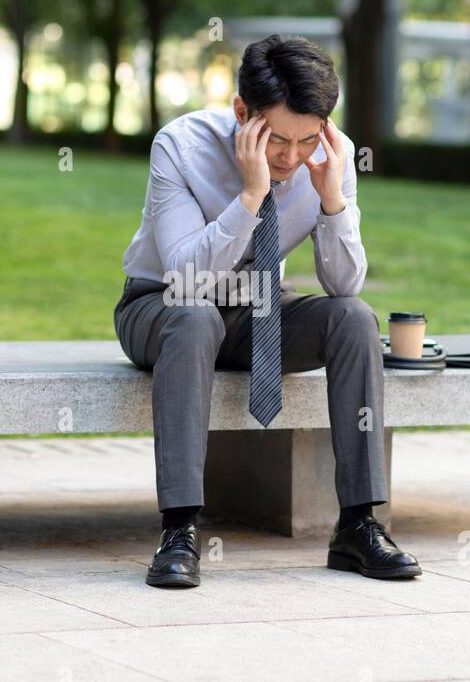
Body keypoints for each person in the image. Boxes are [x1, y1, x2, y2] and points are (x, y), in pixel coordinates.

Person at [113, 34, 421, 589]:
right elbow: (187, 277)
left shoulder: (331, 157)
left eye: (306, 140)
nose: (290, 157)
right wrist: (251, 196)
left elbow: (343, 284)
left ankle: (358, 525)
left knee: (354, 319)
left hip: (259, 307)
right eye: (277, 139)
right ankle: (179, 530)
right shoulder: (180, 146)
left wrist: (333, 201)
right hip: (161, 305)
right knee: (195, 315)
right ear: (241, 112)